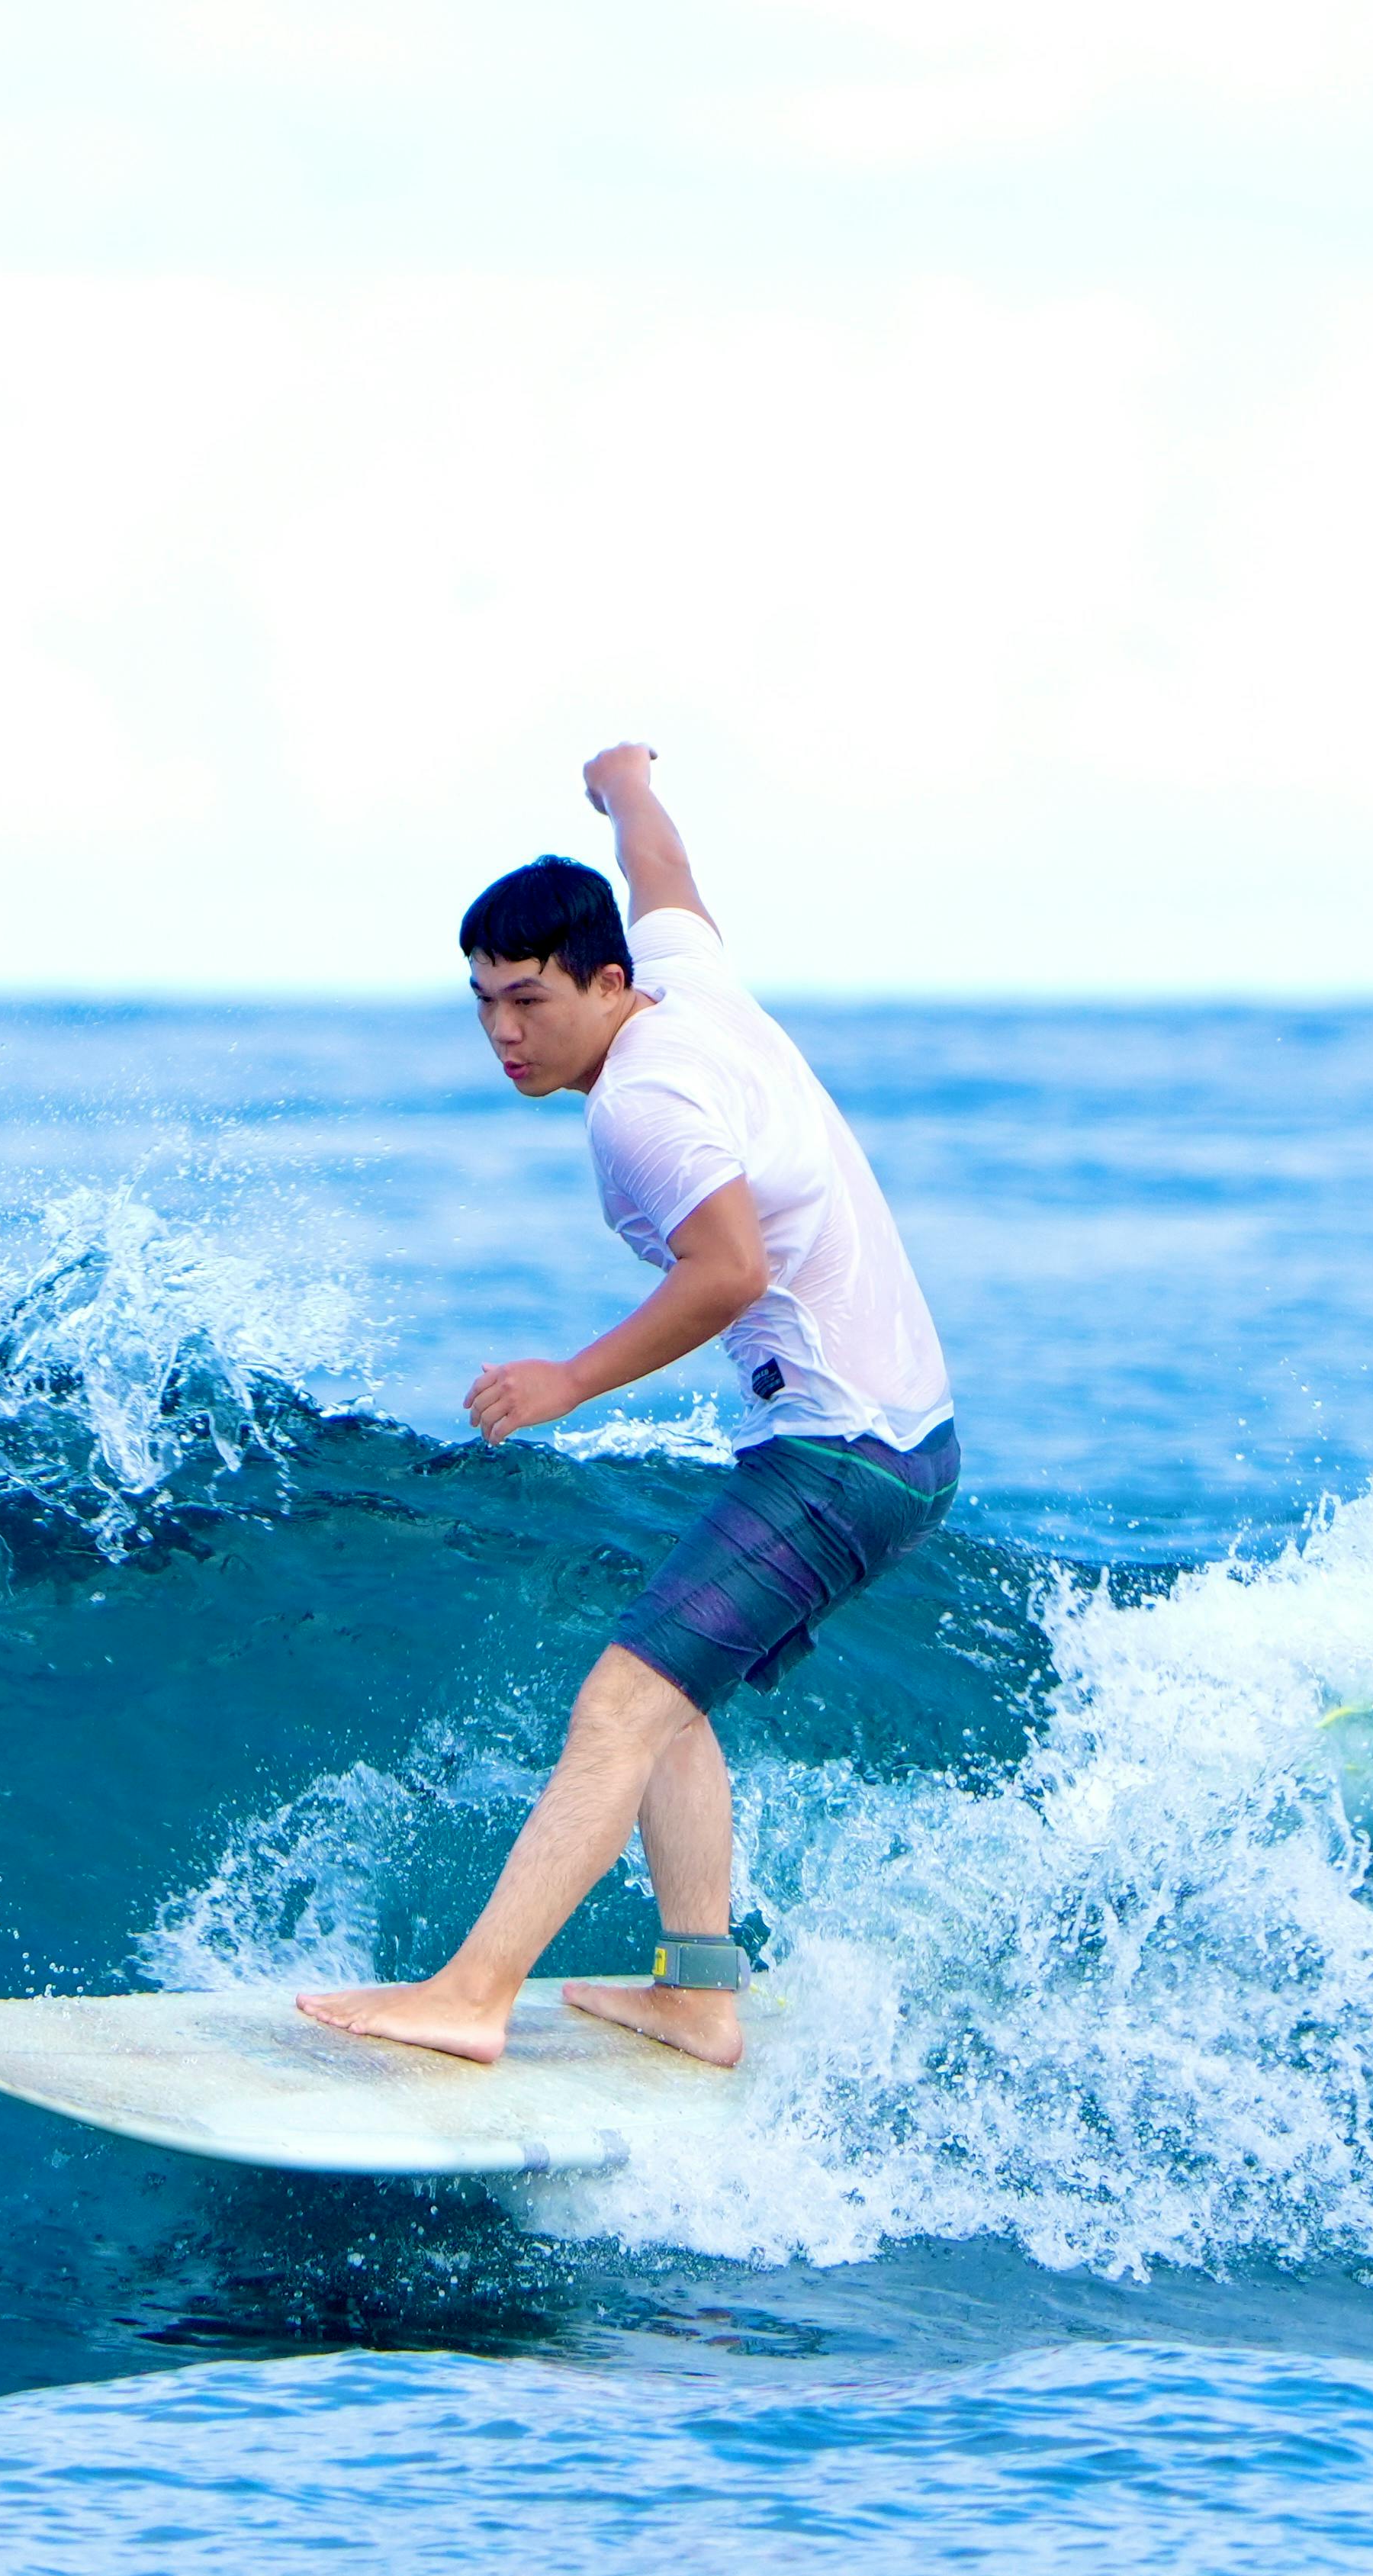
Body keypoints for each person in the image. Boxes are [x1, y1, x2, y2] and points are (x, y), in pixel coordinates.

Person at [299, 742, 959, 2069]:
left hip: (843, 1451)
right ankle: (699, 1994)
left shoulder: (641, 1105)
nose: (502, 1033)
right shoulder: (687, 985)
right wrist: (625, 785)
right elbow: (662, 867)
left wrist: (566, 1381)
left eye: (528, 1000)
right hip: (888, 1435)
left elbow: (730, 1269)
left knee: (618, 1703)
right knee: (670, 1703)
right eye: (481, 1001)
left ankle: (473, 1995)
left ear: (607, 984)